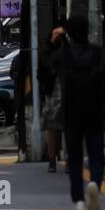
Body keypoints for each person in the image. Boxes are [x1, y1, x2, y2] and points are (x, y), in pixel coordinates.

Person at [60, 14, 105, 210]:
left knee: (74, 158)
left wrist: (51, 41)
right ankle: (94, 183)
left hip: (71, 112)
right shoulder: (99, 54)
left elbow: (45, 70)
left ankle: (78, 201)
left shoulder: (65, 55)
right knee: (96, 156)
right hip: (95, 111)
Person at [39, 25, 65, 173]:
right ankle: (52, 159)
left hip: (66, 91)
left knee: (67, 126)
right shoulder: (47, 52)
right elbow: (43, 66)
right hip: (51, 92)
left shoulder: (68, 50)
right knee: (51, 127)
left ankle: (69, 157)